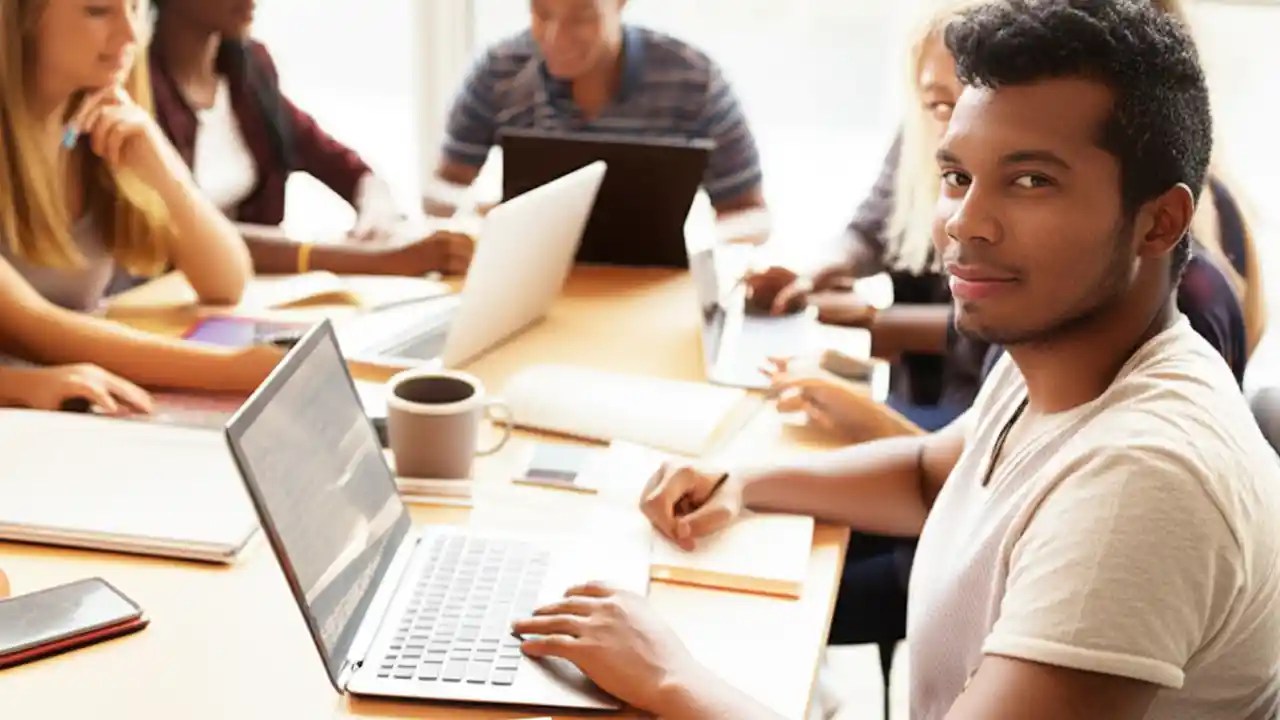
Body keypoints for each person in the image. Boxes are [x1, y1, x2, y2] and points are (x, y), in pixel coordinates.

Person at [511, 2, 1280, 717]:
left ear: (1159, 222)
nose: (964, 223)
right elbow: (926, 478)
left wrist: (671, 677)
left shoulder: (1141, 483)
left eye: (1031, 180)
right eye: (956, 176)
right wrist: (744, 483)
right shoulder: (1064, 351)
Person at [749, 0, 1253, 437]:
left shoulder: (1164, 310)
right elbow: (947, 469)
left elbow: (954, 478)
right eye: (939, 104)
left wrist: (877, 344)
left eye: (1033, 180)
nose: (964, 223)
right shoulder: (1026, 372)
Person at [0, 0, 280, 395]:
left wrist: (163, 166)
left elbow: (226, 281)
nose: (131, 34)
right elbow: (34, 329)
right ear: (21, 19)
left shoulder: (95, 126)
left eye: (134, 7)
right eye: (98, 11)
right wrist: (237, 370)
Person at [150, 0, 474, 277]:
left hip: (247, 297)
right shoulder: (140, 91)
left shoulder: (248, 71)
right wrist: (379, 260)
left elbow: (340, 163)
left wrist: (377, 215)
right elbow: (187, 231)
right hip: (167, 301)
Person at [430, 0, 766, 219]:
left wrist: (699, 246)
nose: (556, 37)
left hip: (655, 290)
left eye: (582, 18)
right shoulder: (500, 70)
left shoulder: (694, 78)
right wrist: (478, 213)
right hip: (533, 280)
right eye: (541, 13)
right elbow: (439, 188)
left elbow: (750, 215)